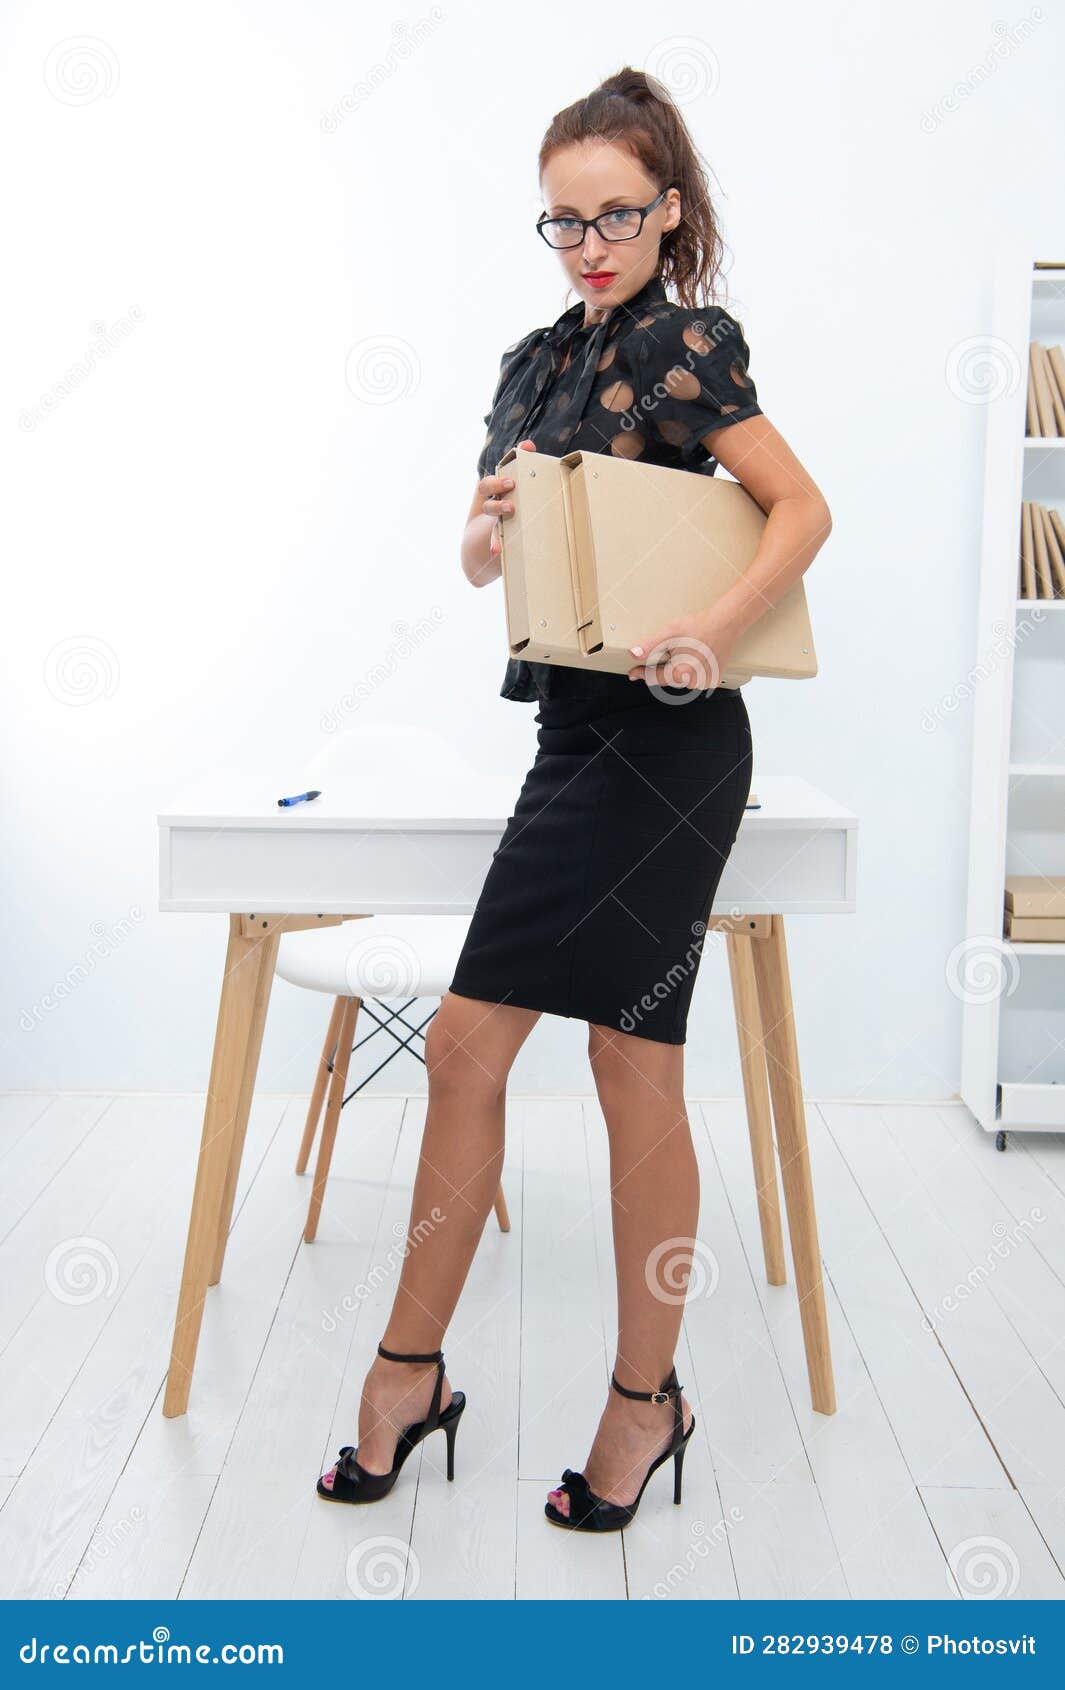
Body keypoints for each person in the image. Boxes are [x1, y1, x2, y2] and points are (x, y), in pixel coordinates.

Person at [317, 65, 832, 1533]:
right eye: (563, 220)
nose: (591, 242)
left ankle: (637, 1399)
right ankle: (411, 1372)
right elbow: (502, 578)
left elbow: (802, 507)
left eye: (616, 214)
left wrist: (714, 630)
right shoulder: (533, 361)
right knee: (469, 1047)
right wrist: (481, 532)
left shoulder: (686, 344)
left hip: (674, 748)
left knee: (629, 1071)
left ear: (670, 212)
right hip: (570, 743)